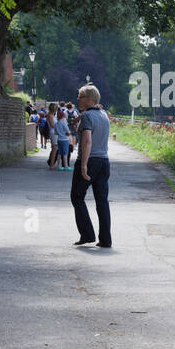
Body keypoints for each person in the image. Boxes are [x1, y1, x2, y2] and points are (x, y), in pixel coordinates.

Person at [71, 83, 111, 248]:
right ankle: (105, 239)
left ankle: (87, 234)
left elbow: (87, 140)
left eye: (80, 96)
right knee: (102, 201)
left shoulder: (88, 117)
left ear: (88, 99)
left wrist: (83, 165)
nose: (78, 99)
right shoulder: (104, 114)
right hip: (103, 161)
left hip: (89, 160)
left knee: (77, 197)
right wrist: (80, 118)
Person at [47, 102, 61, 169]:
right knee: (55, 149)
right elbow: (52, 125)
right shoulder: (50, 115)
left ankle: (52, 163)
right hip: (53, 133)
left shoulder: (52, 115)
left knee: (54, 149)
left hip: (54, 133)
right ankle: (52, 164)